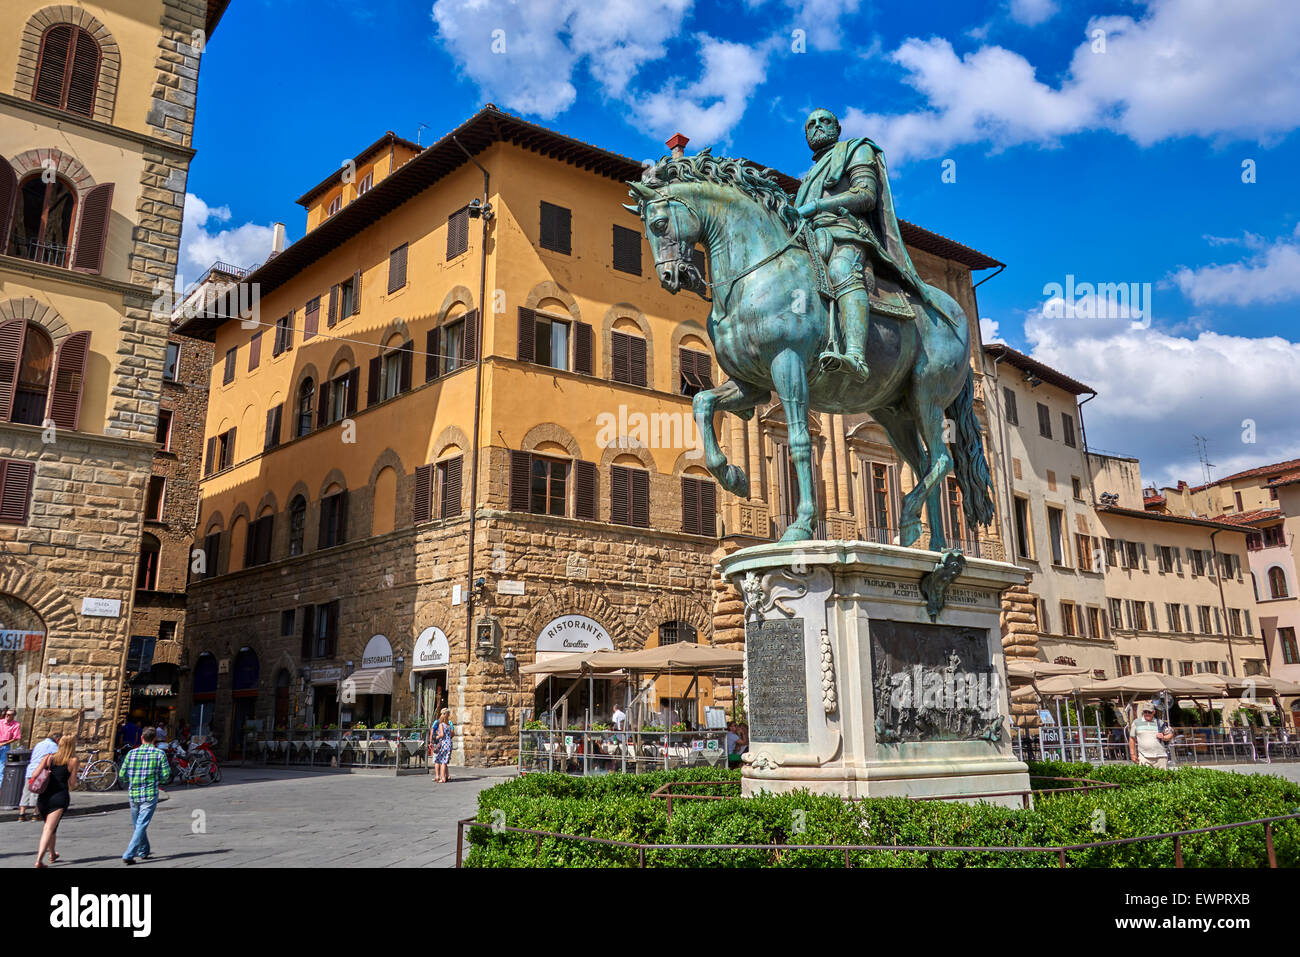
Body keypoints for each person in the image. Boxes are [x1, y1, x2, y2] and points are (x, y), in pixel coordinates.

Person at [119, 727, 169, 865]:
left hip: (133, 793)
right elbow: (166, 775)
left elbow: (122, 775)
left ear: (142, 738)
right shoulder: (160, 754)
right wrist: (157, 779)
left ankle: (144, 851)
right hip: (150, 793)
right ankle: (129, 854)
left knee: (138, 824)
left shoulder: (131, 753)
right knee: (141, 824)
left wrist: (132, 780)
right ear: (154, 739)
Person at [33, 734, 78, 867]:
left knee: (51, 827)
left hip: (44, 796)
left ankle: (52, 854)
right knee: (48, 828)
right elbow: (72, 783)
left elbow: (35, 774)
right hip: (59, 797)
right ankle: (39, 860)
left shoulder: (49, 758)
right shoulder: (73, 760)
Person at [17, 730, 60, 823]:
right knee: (40, 791)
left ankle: (21, 814)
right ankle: (35, 814)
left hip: (30, 770)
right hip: (40, 772)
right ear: (57, 739)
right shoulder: (53, 746)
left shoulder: (39, 744)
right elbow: (56, 758)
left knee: (26, 791)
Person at [1129, 701, 1174, 768]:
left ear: (1154, 712)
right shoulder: (1136, 722)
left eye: (1149, 712)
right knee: (1144, 778)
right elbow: (1131, 738)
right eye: (1145, 712)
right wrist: (1132, 754)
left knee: (1162, 778)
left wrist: (1163, 737)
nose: (1147, 714)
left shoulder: (1160, 722)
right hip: (1144, 757)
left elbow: (1170, 735)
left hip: (1160, 757)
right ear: (1142, 712)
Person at [431, 708, 454, 783]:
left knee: (441, 761)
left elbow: (441, 734)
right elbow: (451, 734)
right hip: (449, 743)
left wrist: (436, 737)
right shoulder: (448, 725)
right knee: (445, 760)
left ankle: (442, 778)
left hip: (443, 743)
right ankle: (444, 776)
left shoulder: (441, 724)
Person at [0, 708, 19, 778]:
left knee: (1, 767)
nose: (7, 716)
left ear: (13, 716)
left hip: (5, 746)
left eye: (9, 715)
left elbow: (16, 738)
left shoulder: (16, 725)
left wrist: (4, 743)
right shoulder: (0, 722)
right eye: (6, 714)